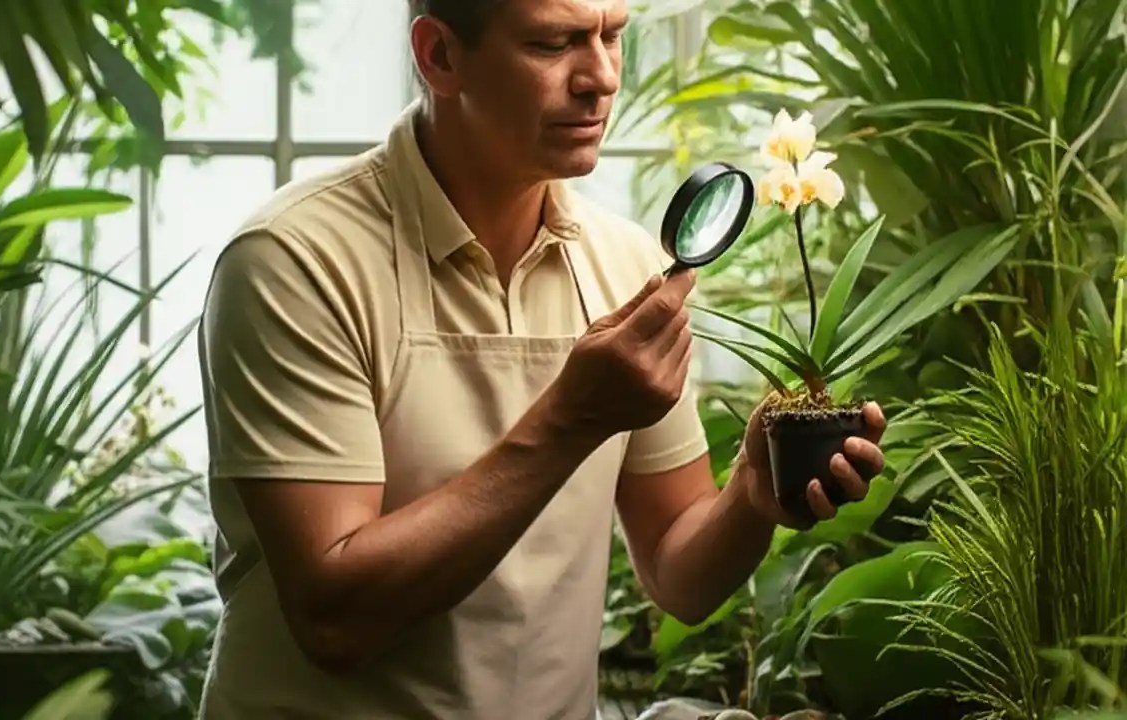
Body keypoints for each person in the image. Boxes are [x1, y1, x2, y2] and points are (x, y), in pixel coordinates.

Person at [195, 0, 886, 717]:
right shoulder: (294, 261)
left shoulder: (624, 263)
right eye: (554, 43)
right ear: (439, 57)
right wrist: (570, 418)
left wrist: (750, 492)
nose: (601, 76)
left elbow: (679, 573)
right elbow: (334, 620)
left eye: (612, 35)